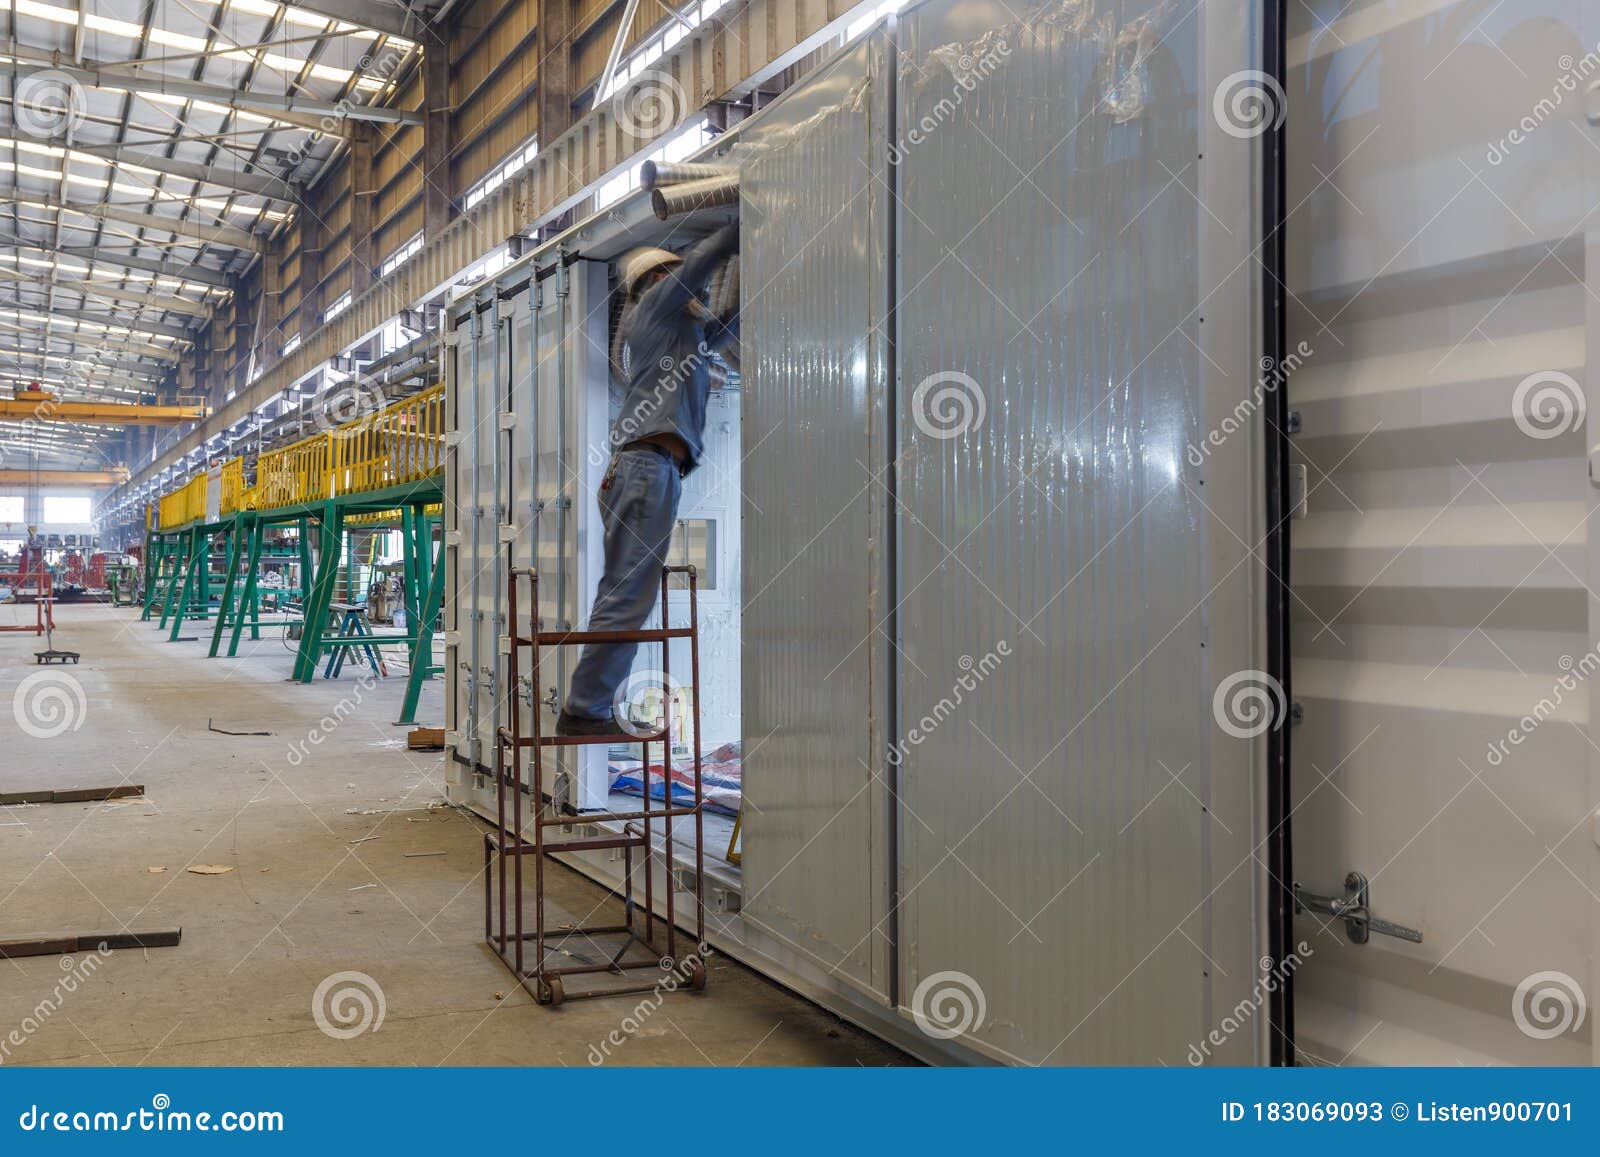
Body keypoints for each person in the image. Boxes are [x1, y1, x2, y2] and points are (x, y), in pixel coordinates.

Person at [557, 222, 740, 736]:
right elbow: (702, 263)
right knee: (627, 595)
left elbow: (724, 327)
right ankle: (583, 709)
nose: (699, 292)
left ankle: (585, 705)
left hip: (648, 469)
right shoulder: (655, 309)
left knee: (625, 592)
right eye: (683, 282)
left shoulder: (681, 332)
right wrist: (741, 222)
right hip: (645, 468)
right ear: (657, 279)